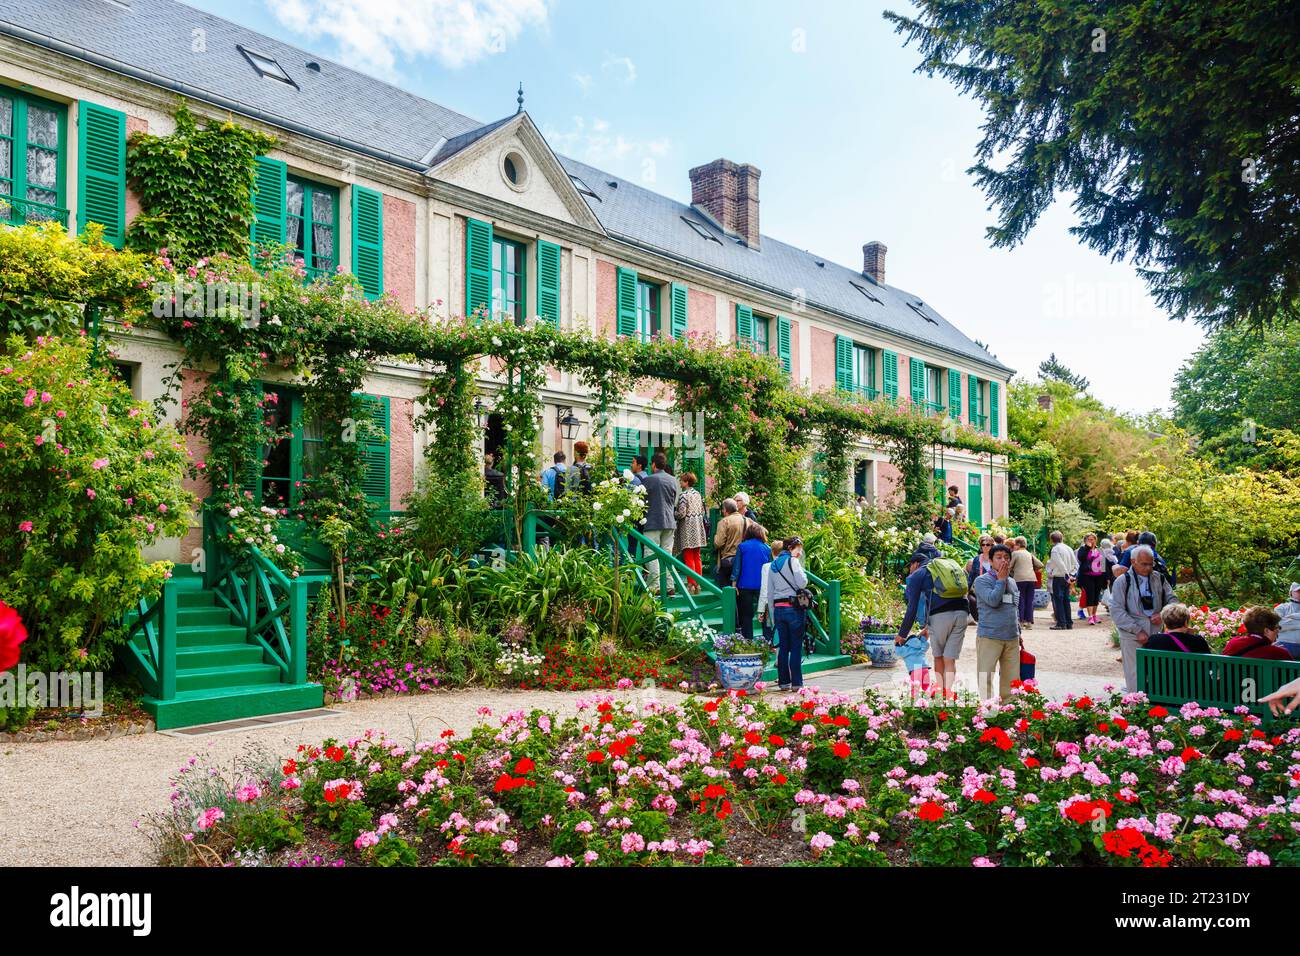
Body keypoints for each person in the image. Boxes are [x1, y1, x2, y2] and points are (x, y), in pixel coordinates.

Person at [897, 549, 969, 702]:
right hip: (963, 613)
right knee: (950, 659)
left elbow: (912, 607)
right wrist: (928, 628)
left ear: (915, 564)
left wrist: (902, 634)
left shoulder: (919, 573)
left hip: (940, 615)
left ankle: (941, 697)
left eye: (910, 567)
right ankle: (948, 694)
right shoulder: (946, 567)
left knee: (938, 657)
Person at [1109, 544, 1175, 692]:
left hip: (1156, 633)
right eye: (1144, 564)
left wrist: (1163, 614)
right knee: (1135, 675)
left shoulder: (1159, 578)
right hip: (1131, 635)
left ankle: (1155, 708)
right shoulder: (1122, 581)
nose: (1147, 568)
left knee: (1157, 673)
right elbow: (1116, 610)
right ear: (1133, 562)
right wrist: (1137, 630)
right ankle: (1136, 708)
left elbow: (1173, 600)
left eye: (1150, 564)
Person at [973, 543, 1021, 700]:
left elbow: (1015, 608)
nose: (1003, 561)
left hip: (1011, 637)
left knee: (1012, 679)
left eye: (1006, 557)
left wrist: (1018, 632)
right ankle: (987, 711)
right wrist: (1000, 580)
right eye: (999, 557)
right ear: (991, 561)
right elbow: (993, 601)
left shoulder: (1012, 582)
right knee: (985, 675)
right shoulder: (982, 581)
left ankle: (1009, 711)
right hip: (989, 636)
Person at [766, 536, 810, 691]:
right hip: (793, 609)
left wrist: (772, 614)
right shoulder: (793, 561)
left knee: (783, 647)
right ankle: (797, 683)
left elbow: (769, 592)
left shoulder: (773, 565)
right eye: (799, 549)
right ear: (791, 548)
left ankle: (784, 682)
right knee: (796, 647)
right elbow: (802, 583)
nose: (800, 552)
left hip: (778, 609)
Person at [639, 452, 679, 595]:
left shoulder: (649, 480)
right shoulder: (673, 480)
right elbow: (674, 502)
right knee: (667, 555)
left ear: (654, 465)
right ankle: (669, 586)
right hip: (669, 522)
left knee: (651, 553)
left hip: (653, 521)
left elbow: (641, 502)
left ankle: (655, 586)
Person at [732, 524, 772, 641]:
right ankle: (768, 639)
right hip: (763, 585)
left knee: (746, 615)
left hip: (744, 584)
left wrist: (734, 583)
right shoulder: (767, 548)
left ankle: (748, 640)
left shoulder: (742, 547)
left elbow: (737, 567)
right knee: (765, 613)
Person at [672, 472, 707, 592]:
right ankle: (699, 583)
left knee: (688, 556)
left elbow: (681, 513)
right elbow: (702, 511)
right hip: (698, 527)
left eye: (681, 480)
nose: (680, 483)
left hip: (687, 528)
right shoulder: (698, 494)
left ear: (686, 482)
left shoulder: (683, 495)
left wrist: (673, 513)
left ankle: (691, 584)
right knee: (697, 556)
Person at [1222, 606, 1294, 661]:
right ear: (1266, 631)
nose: (1278, 630)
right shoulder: (1279, 653)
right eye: (1277, 627)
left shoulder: (1232, 643)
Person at [1140, 603, 1211, 654]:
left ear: (1165, 623)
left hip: (1162, 675)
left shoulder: (1153, 640)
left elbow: (1146, 666)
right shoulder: (1198, 641)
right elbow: (1209, 665)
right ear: (1186, 622)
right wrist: (1192, 637)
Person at [1045, 531, 1079, 630]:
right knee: (1066, 600)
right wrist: (1072, 574)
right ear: (1062, 538)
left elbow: (1058, 563)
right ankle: (1069, 622)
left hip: (1060, 577)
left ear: (1051, 540)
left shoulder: (1055, 549)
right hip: (1067, 577)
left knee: (1058, 600)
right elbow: (1075, 564)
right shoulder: (1068, 548)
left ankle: (1061, 623)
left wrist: (1066, 574)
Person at [1075, 533, 1111, 625]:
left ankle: (1095, 615)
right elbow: (1081, 558)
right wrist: (1087, 548)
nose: (1092, 541)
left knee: (1096, 596)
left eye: (1093, 539)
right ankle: (1090, 616)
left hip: (1099, 576)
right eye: (1089, 539)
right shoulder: (1083, 549)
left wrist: (1107, 577)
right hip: (1087, 576)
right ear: (1085, 541)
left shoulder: (1100, 550)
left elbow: (1104, 565)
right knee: (1090, 595)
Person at [713, 498, 749, 586]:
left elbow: (718, 543)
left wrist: (715, 537)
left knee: (725, 590)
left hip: (728, 561)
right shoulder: (746, 520)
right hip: (742, 560)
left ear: (725, 510)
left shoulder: (724, 521)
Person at [1009, 537, 1043, 629]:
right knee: (1029, 600)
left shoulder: (1015, 553)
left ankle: (1021, 621)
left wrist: (1012, 572)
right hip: (1031, 579)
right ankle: (1029, 622)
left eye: (1015, 544)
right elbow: (1040, 564)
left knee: (1021, 599)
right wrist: (1031, 569)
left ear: (1018, 545)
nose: (1014, 546)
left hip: (1019, 579)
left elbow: (1010, 566)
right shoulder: (1029, 554)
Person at [757, 539, 783, 645]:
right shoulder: (790, 565)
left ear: (772, 552)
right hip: (785, 603)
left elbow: (764, 589)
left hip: (771, 603)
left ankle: (769, 645)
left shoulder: (767, 567)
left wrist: (761, 610)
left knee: (768, 627)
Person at [1274, 583, 1300, 659]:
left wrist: (1290, 618)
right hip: (1284, 645)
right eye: (1298, 591)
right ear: (1291, 592)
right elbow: (1278, 625)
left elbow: (1283, 624)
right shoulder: (1281, 608)